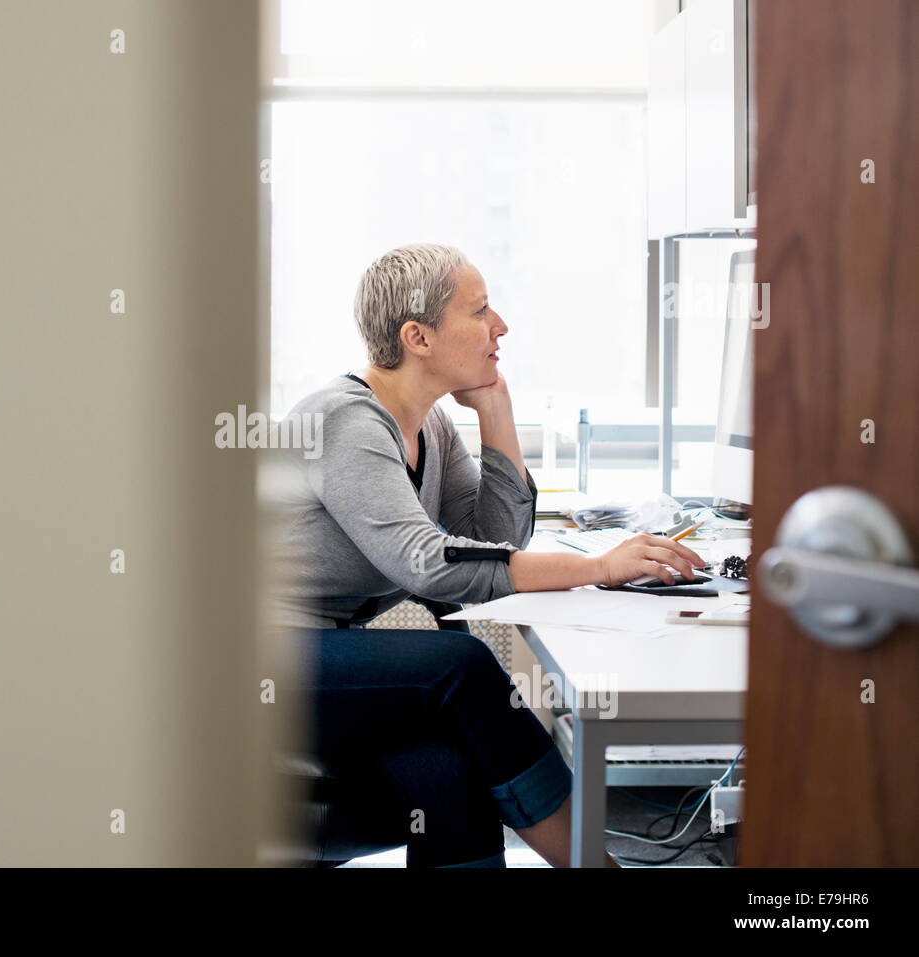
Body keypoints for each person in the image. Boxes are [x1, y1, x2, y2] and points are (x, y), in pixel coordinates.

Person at [268, 243, 704, 867]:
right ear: (418, 336)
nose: (500, 325)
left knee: (448, 776)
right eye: (479, 311)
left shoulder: (430, 425)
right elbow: (432, 565)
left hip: (321, 651)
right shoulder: (347, 422)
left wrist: (497, 409)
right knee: (462, 666)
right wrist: (601, 566)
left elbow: (493, 540)